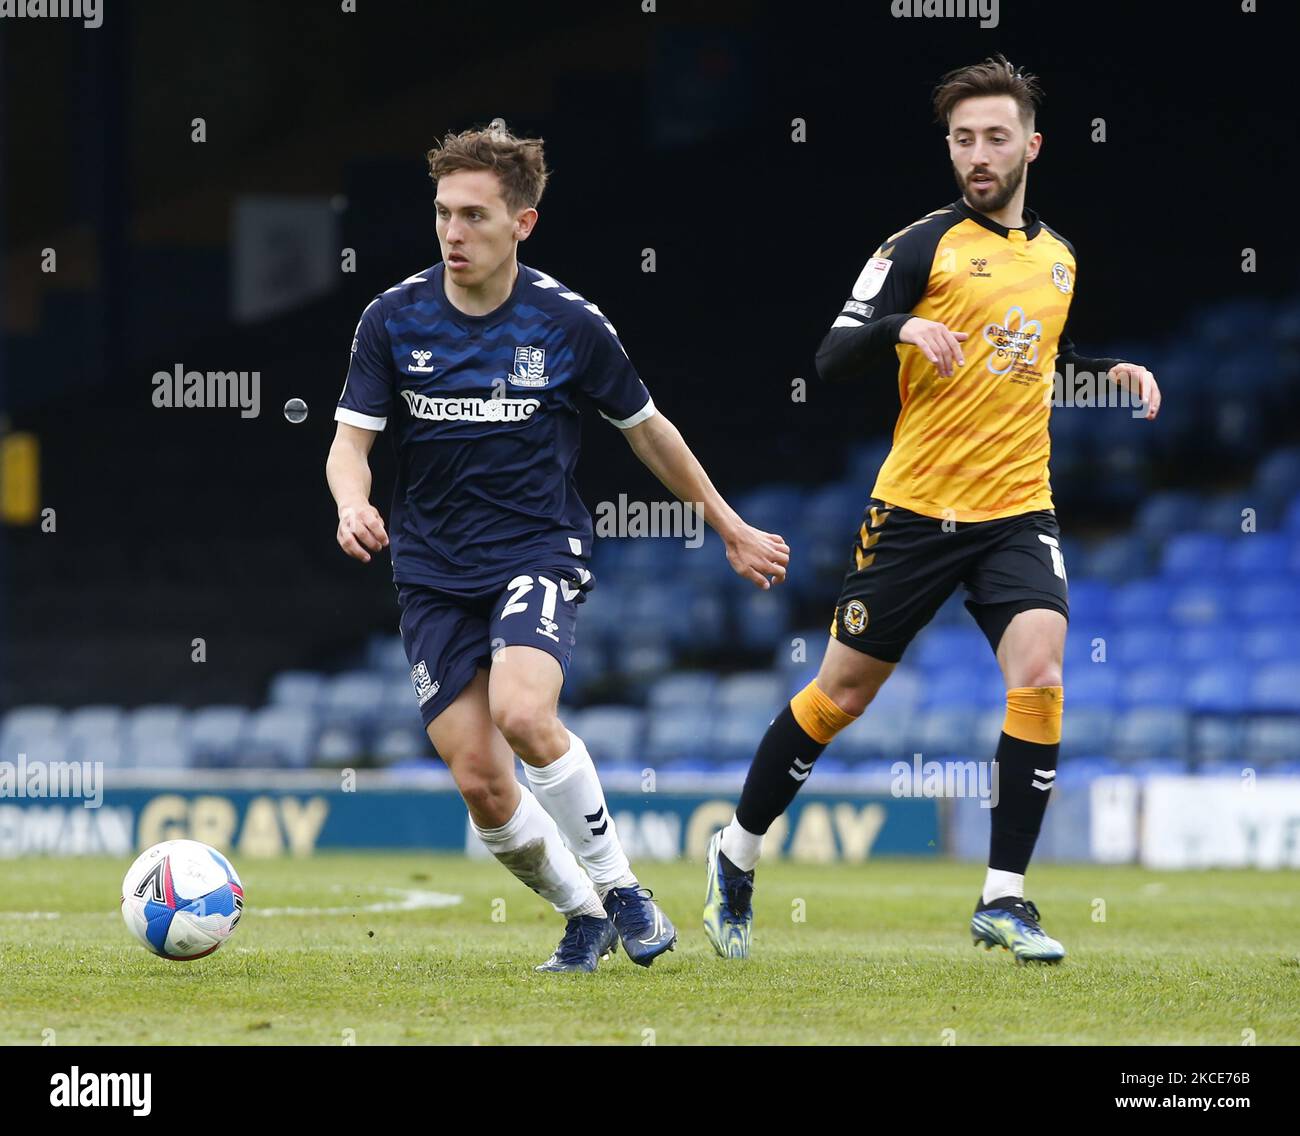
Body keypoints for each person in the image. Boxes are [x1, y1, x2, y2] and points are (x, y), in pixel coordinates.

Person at [704, 57, 1160, 964]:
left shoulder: (1059, 258)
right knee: (841, 695)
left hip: (1018, 509)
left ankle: (1005, 898)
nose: (978, 154)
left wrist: (1105, 370)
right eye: (963, 139)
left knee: (1040, 669)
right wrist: (900, 327)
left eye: (996, 137)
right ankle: (738, 850)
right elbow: (833, 356)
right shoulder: (916, 247)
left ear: (1032, 144)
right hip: (916, 512)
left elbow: (1032, 353)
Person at [327, 120, 789, 972]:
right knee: (479, 779)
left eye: (473, 216)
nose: (453, 234)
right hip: (430, 571)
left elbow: (647, 431)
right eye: (443, 214)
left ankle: (624, 890)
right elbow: (349, 442)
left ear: (522, 223)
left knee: (523, 713)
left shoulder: (568, 324)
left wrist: (728, 525)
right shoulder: (392, 319)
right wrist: (352, 502)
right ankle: (584, 915)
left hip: (535, 549)